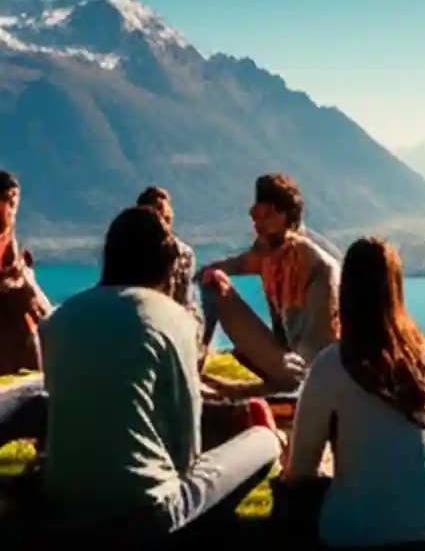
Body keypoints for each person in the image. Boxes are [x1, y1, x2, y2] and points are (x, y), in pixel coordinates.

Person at [36, 206, 283, 545]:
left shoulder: (58, 321)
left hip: (64, 503)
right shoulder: (174, 319)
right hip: (146, 513)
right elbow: (186, 447)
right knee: (265, 441)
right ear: (165, 267)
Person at [275, 237, 425, 549]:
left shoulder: (332, 365)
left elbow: (302, 472)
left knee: (295, 497)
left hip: (355, 540)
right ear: (397, 292)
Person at [198, 173, 341, 398]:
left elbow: (319, 349)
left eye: (268, 216)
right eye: (256, 216)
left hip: (310, 370)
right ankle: (194, 365)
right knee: (213, 281)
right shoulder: (267, 254)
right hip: (284, 360)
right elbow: (229, 266)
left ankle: (265, 391)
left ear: (287, 217)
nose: (259, 224)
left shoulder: (317, 267)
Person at [0, 170, 53, 377]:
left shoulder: (15, 252)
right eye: (9, 201)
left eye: (15, 203)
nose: (13, 211)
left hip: (24, 346)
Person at [136, 186, 199, 324]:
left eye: (167, 219)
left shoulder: (183, 254)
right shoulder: (128, 251)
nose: (162, 225)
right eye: (157, 219)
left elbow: (185, 301)